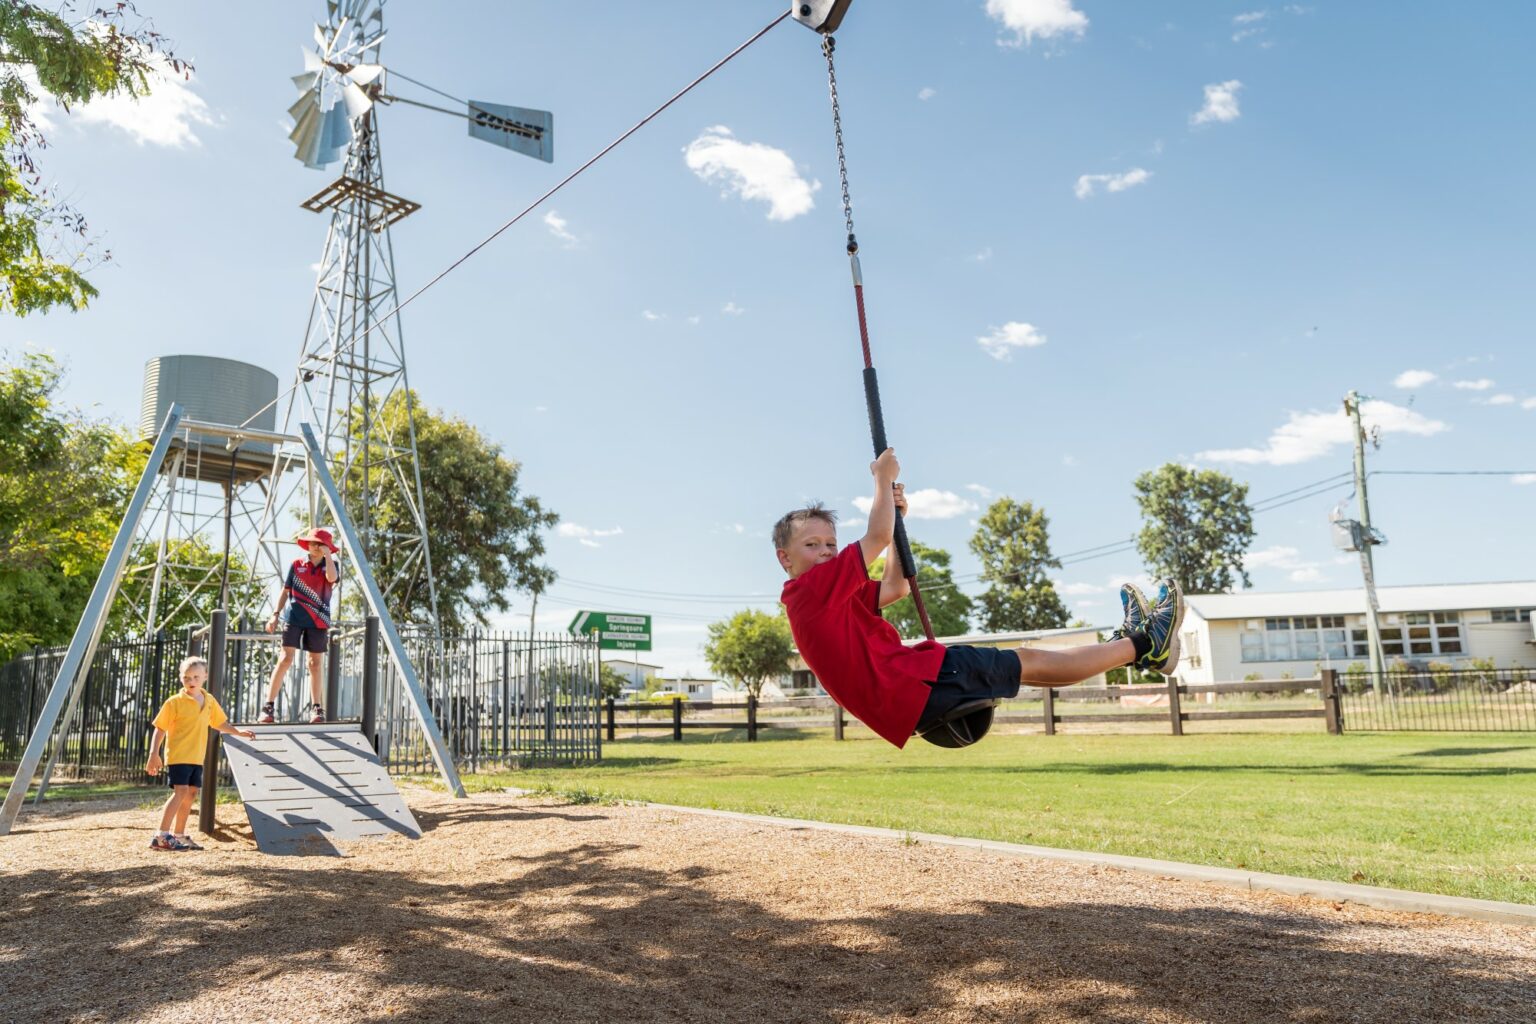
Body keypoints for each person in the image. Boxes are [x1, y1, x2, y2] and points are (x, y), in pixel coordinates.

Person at [775, 448, 1182, 749]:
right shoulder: (809, 591)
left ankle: (1135, 647)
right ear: (785, 558)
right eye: (812, 544)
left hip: (912, 691)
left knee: (1029, 665)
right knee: (1031, 659)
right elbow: (876, 537)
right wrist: (882, 479)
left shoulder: (829, 598)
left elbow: (895, 587)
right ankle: (1144, 644)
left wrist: (898, 525)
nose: (827, 551)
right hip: (914, 683)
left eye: (830, 542)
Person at [146, 656, 255, 851]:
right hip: (179, 755)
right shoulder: (174, 702)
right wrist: (154, 754)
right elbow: (160, 728)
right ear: (181, 678)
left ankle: (178, 835)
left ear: (205, 676)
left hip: (196, 756)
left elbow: (218, 723)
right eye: (186, 677)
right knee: (180, 792)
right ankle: (161, 835)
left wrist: (238, 732)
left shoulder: (209, 700)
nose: (191, 681)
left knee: (190, 794)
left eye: (196, 677)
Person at [260, 527, 341, 724]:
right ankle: (268, 707)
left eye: (319, 543)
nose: (314, 546)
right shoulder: (296, 564)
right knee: (285, 658)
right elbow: (285, 591)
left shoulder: (332, 564)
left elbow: (332, 579)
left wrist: (328, 554)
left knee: (314, 663)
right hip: (294, 617)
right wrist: (275, 614)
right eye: (312, 542)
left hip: (318, 619)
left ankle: (316, 708)